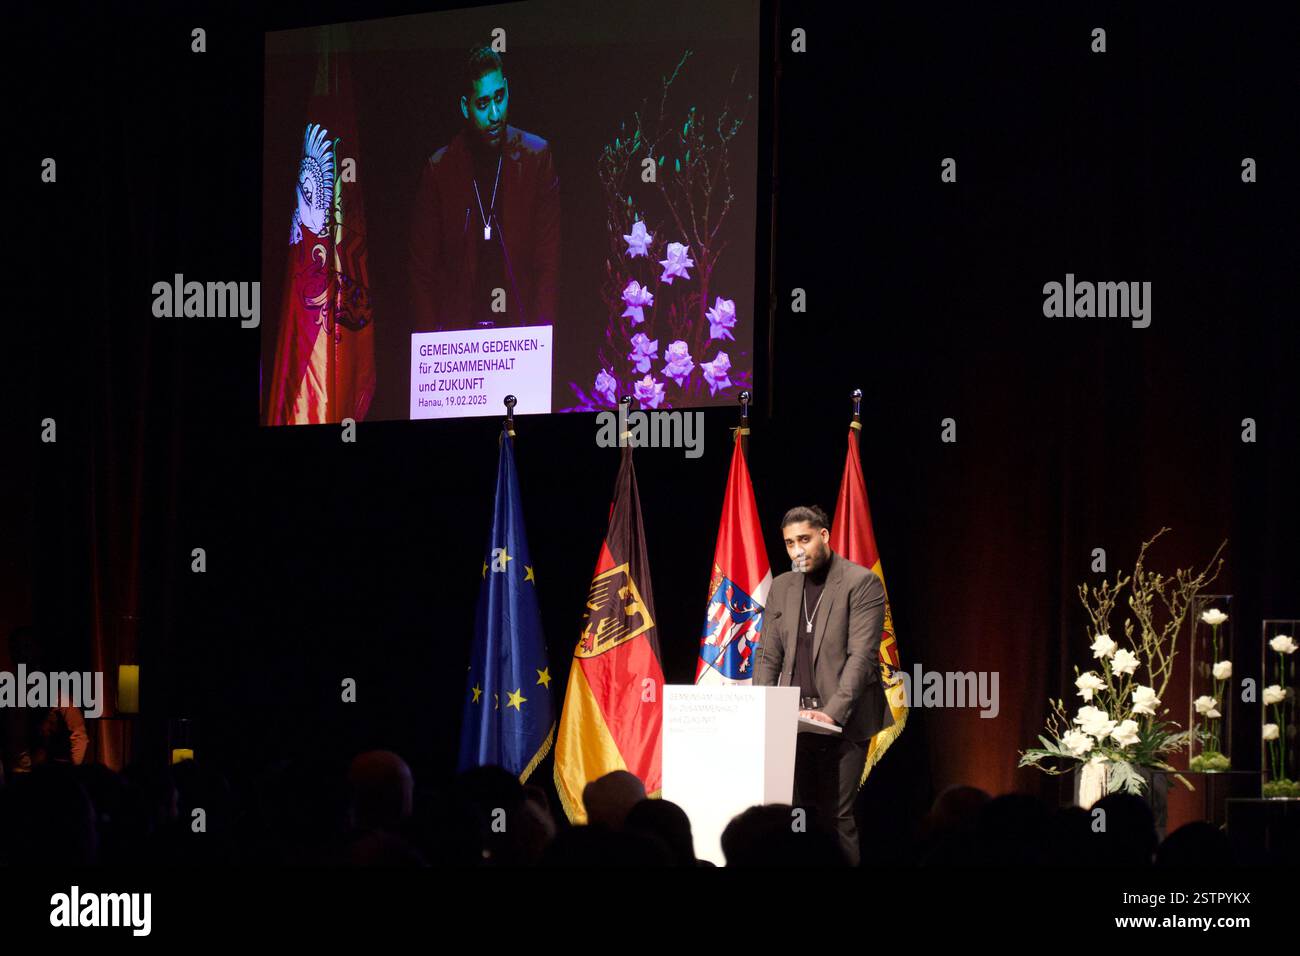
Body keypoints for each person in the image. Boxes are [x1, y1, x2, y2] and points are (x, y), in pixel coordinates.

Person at [753, 505, 894, 866]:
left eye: (804, 539)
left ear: (824, 535)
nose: (797, 550)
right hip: (791, 719)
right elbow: (768, 655)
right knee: (793, 816)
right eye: (789, 543)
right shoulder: (783, 586)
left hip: (843, 719)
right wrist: (762, 708)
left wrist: (832, 714)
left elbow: (861, 659)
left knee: (835, 817)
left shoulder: (860, 582)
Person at [409, 45, 560, 331]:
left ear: (507, 89)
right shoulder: (439, 170)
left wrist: (540, 341)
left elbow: (547, 266)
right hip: (458, 343)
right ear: (466, 107)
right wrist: (431, 347)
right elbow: (421, 274)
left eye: (500, 98)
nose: (494, 114)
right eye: (483, 104)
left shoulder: (536, 158)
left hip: (519, 334)